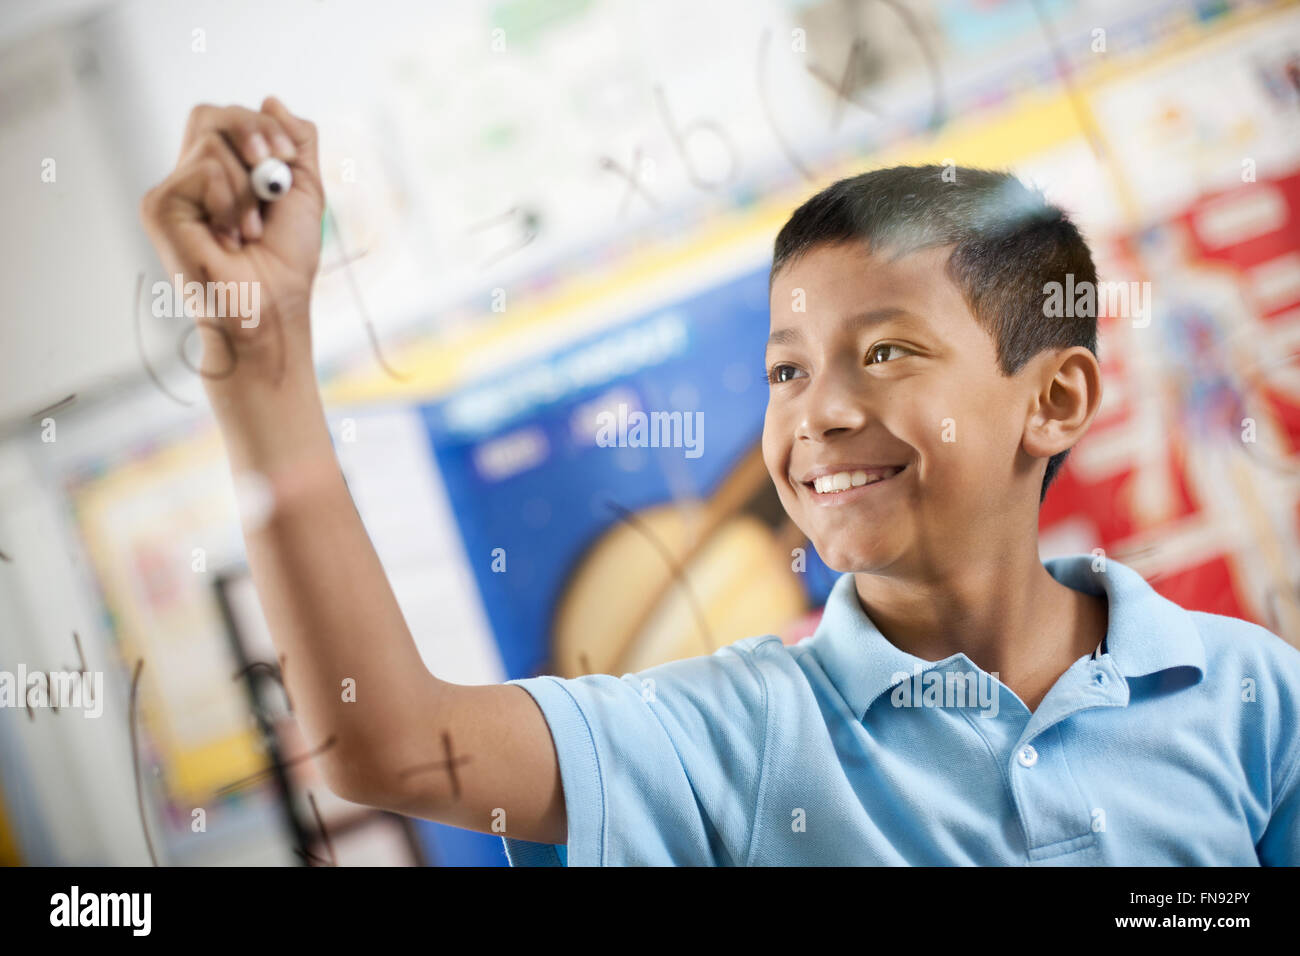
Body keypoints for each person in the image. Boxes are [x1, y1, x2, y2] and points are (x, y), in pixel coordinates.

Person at [139, 98, 1300, 866]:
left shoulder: (1250, 696)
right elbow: (385, 742)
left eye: (884, 351)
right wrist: (259, 359)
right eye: (784, 369)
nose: (818, 411)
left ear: (1050, 399)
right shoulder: (736, 733)